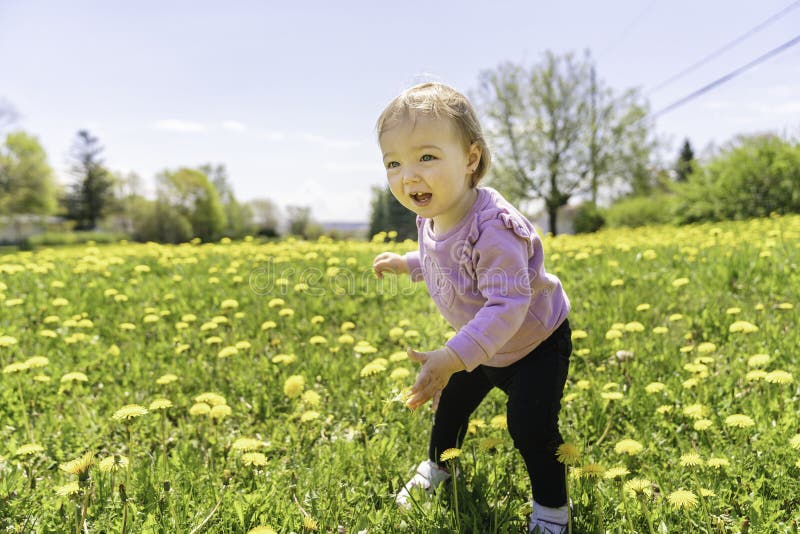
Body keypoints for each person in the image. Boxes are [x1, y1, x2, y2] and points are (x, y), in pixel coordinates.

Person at [372, 82, 573, 534]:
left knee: (530, 428)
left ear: (470, 159)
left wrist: (451, 357)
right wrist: (407, 263)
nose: (409, 174)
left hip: (533, 343)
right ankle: (441, 466)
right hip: (480, 344)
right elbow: (443, 258)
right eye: (393, 163)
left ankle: (552, 512)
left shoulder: (495, 229)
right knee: (451, 408)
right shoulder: (431, 216)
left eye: (426, 157)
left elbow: (508, 304)